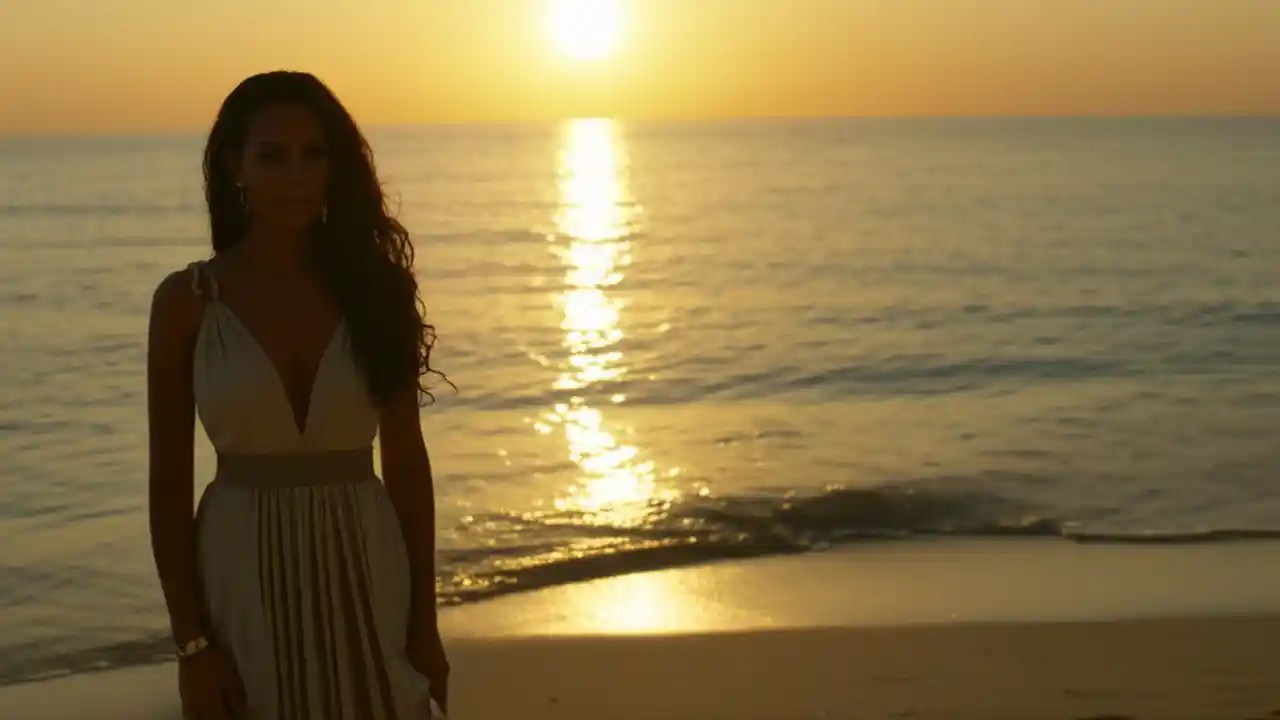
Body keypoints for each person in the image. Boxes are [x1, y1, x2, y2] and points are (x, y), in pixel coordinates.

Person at [146, 70, 451, 719]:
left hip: (367, 565)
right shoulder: (187, 304)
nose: (295, 175)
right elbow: (168, 483)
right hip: (239, 572)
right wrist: (192, 644)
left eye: (313, 155)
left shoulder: (375, 292)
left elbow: (406, 465)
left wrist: (425, 626)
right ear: (236, 165)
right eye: (272, 156)